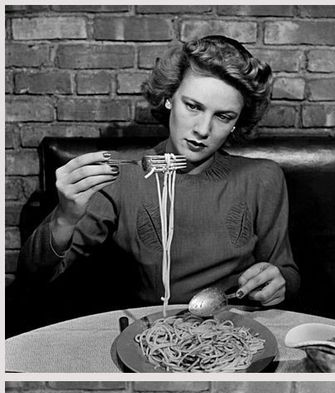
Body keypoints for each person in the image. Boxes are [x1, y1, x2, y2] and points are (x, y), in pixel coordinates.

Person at [17, 35, 299, 310]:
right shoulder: (120, 177)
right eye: (193, 106)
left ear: (237, 122)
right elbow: (35, 275)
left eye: (223, 116)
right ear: (168, 98)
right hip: (150, 335)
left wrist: (279, 282)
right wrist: (65, 219)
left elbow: (286, 271)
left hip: (235, 329)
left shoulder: (262, 178)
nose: (203, 129)